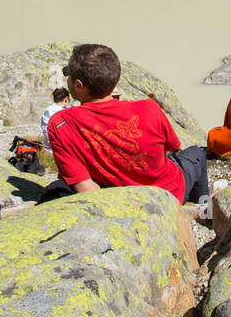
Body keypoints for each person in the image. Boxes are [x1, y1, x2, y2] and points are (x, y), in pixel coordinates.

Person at [45, 44, 208, 204]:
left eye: (69, 75)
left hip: (121, 201)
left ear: (78, 85)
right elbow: (171, 147)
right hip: (169, 193)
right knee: (197, 154)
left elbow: (84, 188)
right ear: (114, 82)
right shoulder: (149, 108)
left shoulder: (61, 124)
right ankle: (204, 208)